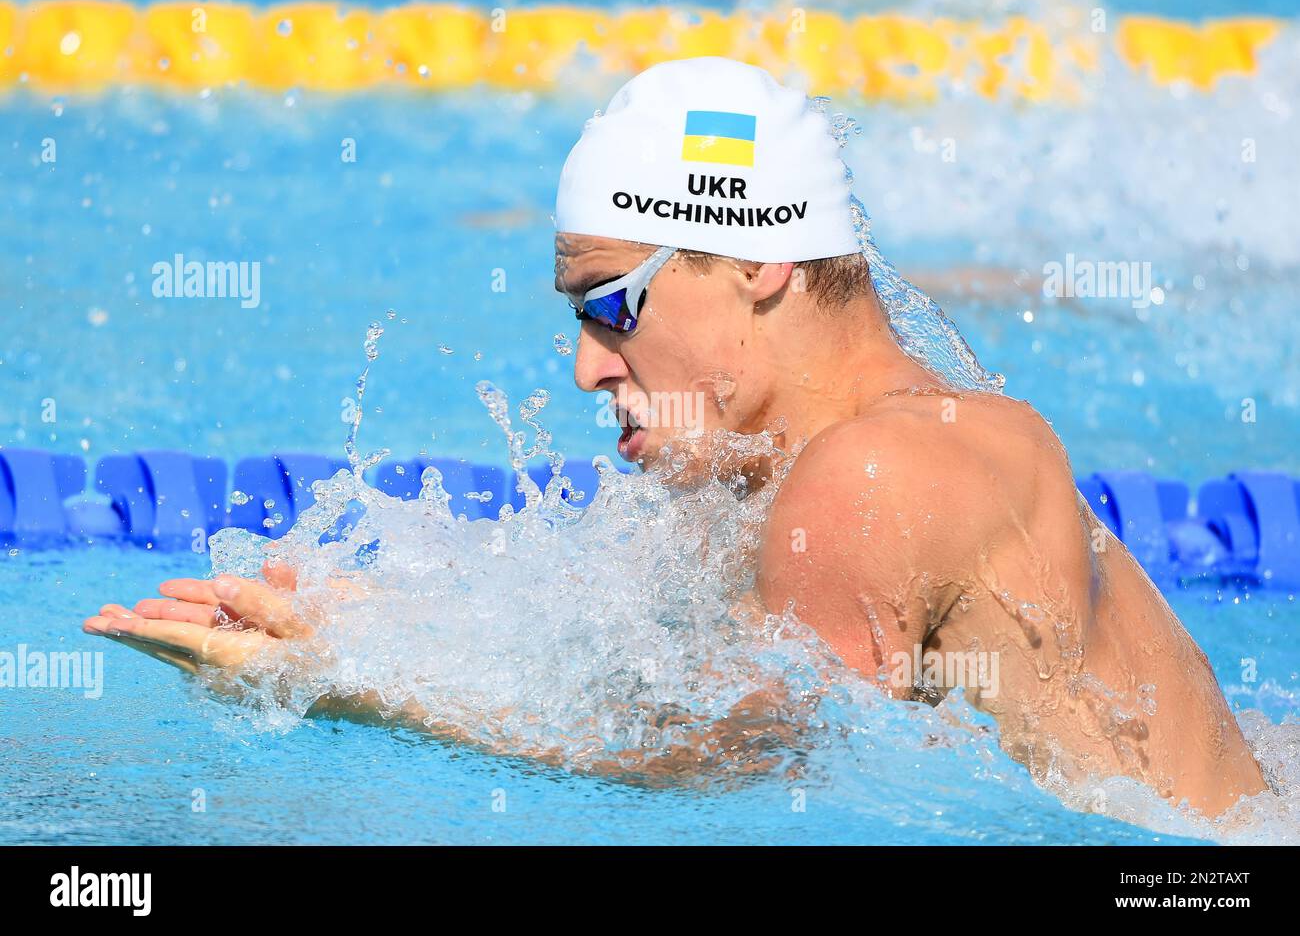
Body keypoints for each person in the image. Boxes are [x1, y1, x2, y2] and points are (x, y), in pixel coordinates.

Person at [83, 57, 1267, 817]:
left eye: (610, 302)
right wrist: (362, 622)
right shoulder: (847, 453)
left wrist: (353, 690)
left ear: (756, 262)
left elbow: (738, 768)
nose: (589, 363)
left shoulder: (867, 474)